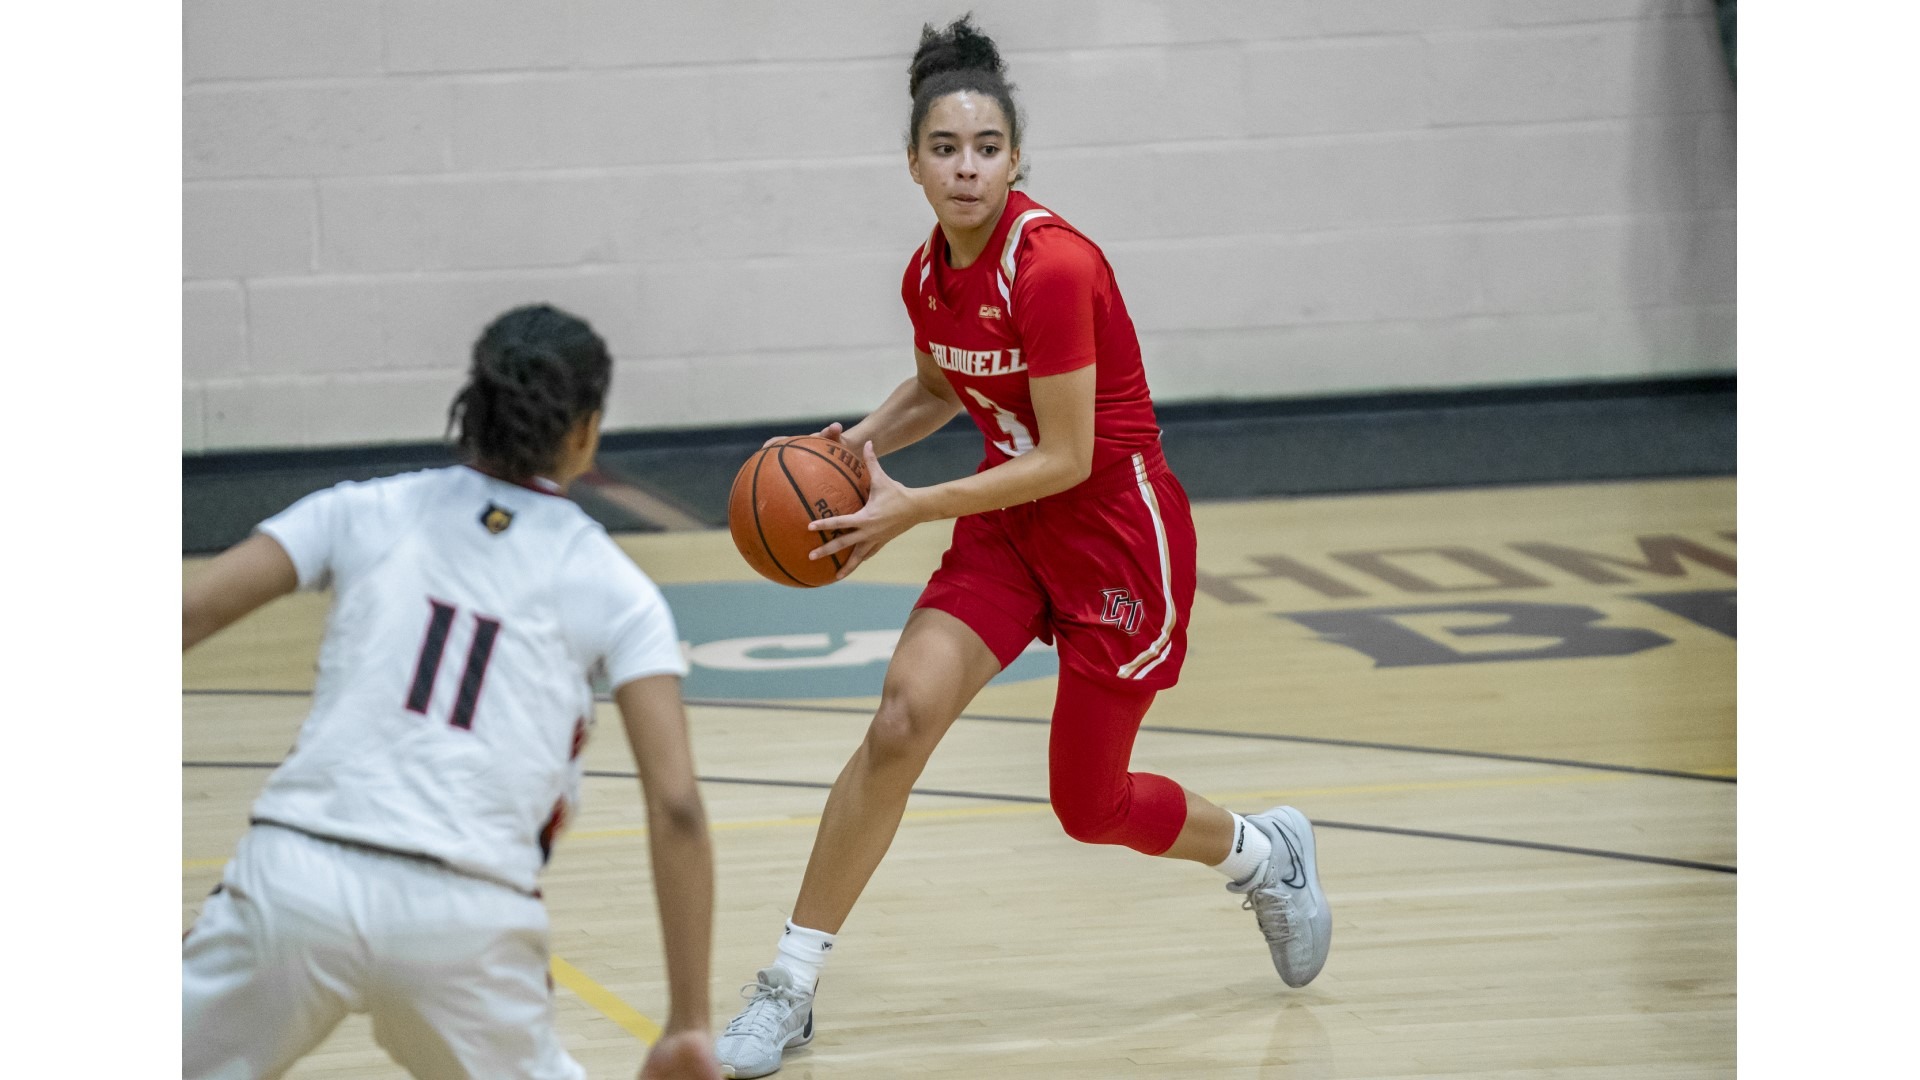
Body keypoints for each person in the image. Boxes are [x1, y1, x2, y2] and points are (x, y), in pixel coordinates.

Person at [712, 17, 1331, 1079]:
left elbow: (1068, 455)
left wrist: (913, 507)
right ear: (913, 163)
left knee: (1089, 806)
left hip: (1114, 539)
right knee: (901, 719)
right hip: (1010, 527)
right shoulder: (927, 275)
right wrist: (857, 445)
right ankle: (790, 985)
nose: (967, 167)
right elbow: (943, 385)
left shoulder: (1051, 267)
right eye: (946, 149)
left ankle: (1263, 854)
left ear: (1015, 159)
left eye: (987, 148)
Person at [182, 304, 722, 1080]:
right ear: (586, 432)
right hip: (467, 917)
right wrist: (689, 1022)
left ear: (472, 407)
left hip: (300, 875)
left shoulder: (360, 509)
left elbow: (187, 614)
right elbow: (677, 806)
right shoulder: (617, 586)